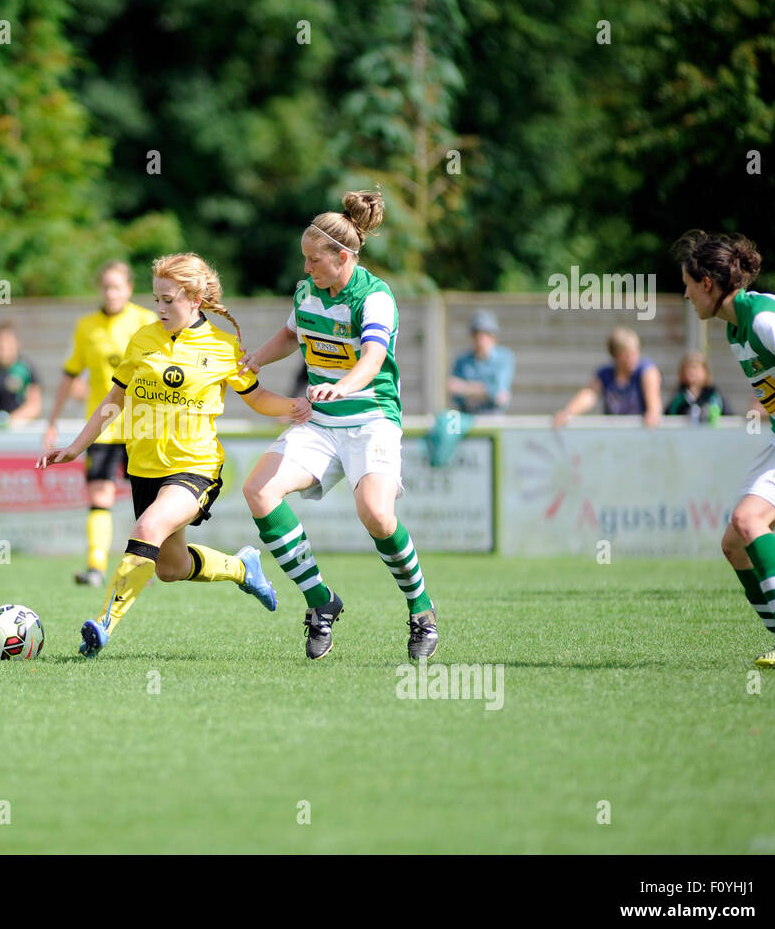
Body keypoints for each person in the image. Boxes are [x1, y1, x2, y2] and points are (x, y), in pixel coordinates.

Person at [37, 253, 311, 658]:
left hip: (195, 468)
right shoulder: (143, 338)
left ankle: (103, 625)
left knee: (147, 530)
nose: (161, 308)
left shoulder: (222, 346)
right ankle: (241, 568)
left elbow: (258, 398)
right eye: (157, 300)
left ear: (196, 299)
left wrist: (296, 406)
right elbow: (115, 400)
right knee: (170, 568)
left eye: (169, 300)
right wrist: (77, 446)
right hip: (144, 468)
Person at [239, 189, 440, 661]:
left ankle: (422, 611)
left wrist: (343, 386)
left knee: (376, 514)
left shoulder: (375, 297)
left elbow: (372, 358)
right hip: (320, 421)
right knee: (259, 491)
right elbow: (292, 333)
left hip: (371, 420)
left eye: (314, 260)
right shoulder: (307, 290)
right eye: (304, 259)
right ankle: (320, 603)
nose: (306, 268)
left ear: (342, 256)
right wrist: (255, 361)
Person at [676, 231, 775, 668]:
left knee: (749, 520)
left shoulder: (764, 319)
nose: (686, 294)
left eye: (689, 284)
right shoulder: (736, 327)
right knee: (734, 543)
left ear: (708, 284)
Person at [43, 261, 156, 586]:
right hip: (102, 426)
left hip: (141, 426)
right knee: (99, 494)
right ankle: (95, 566)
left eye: (117, 286)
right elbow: (70, 375)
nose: (111, 293)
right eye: (106, 286)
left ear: (129, 289)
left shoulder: (146, 321)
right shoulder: (86, 327)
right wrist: (52, 421)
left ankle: (145, 562)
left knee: (148, 499)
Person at [553, 326, 662, 428]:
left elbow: (654, 401)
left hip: (640, 434)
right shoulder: (605, 374)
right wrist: (568, 412)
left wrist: (653, 413)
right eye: (627, 355)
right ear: (615, 356)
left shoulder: (646, 370)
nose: (633, 358)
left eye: (635, 352)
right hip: (614, 435)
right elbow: (589, 394)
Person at [447, 309, 514, 414]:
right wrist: (482, 390)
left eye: (485, 334)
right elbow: (453, 391)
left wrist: (465, 388)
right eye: (476, 333)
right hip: (466, 416)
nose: (480, 339)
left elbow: (499, 395)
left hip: (493, 417)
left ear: (494, 337)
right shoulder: (462, 360)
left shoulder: (504, 358)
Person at [0, 320, 40, 426]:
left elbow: (34, 406)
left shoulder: (26, 370)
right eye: (0, 343)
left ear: (17, 343)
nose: (4, 347)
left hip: (21, 430)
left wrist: (10, 420)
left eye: (8, 342)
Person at [663, 350, 724, 422]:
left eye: (696, 368)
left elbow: (729, 419)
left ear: (705, 372)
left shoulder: (714, 396)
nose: (692, 373)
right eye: (688, 369)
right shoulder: (678, 397)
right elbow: (668, 419)